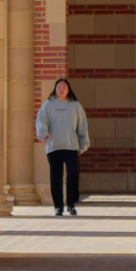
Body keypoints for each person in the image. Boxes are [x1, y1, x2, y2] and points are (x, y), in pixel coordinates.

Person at [36, 78, 90, 216]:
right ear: (55, 89)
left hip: (71, 146)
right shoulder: (48, 105)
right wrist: (43, 134)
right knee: (56, 177)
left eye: (64, 87)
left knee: (73, 174)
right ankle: (58, 207)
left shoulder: (75, 105)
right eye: (59, 87)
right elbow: (41, 121)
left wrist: (83, 145)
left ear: (68, 90)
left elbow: (82, 125)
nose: (61, 90)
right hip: (53, 146)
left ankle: (71, 205)